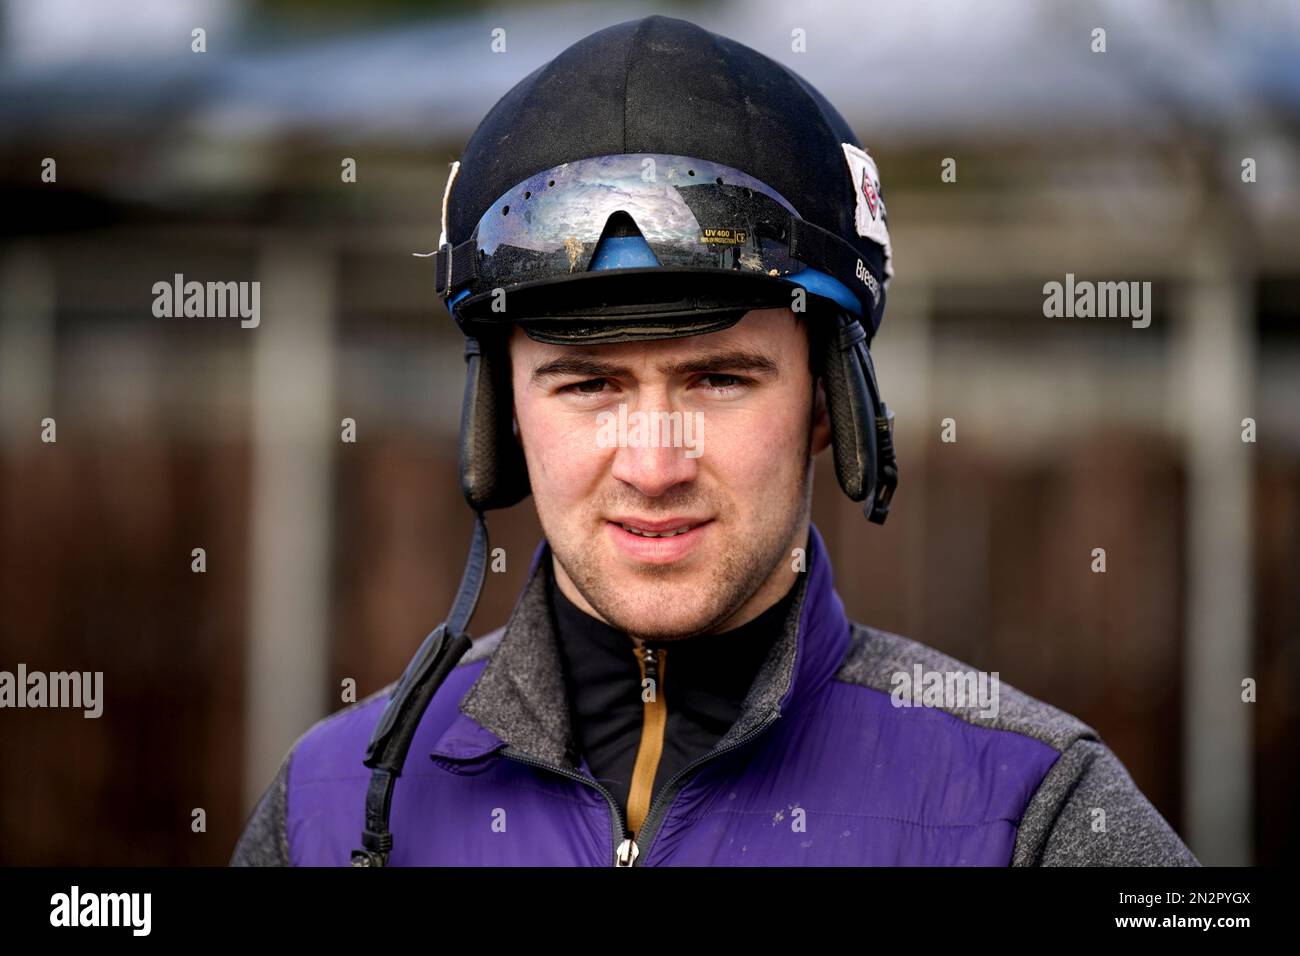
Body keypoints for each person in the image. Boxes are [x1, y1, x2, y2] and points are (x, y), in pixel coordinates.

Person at [230, 15, 1197, 867]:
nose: (653, 466)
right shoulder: (332, 810)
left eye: (718, 380)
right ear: (503, 418)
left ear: (829, 405)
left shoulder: (1028, 811)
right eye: (589, 385)